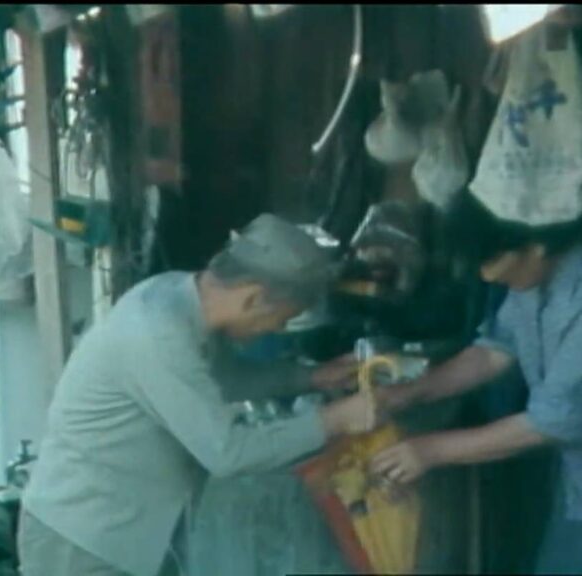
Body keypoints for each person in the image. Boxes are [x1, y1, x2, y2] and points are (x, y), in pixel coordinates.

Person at [18, 214, 375, 576]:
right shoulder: (160, 332)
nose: (277, 329)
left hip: (125, 533)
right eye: (282, 319)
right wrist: (335, 419)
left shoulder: (179, 298)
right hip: (82, 542)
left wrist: (313, 378)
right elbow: (229, 453)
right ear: (254, 298)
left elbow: (225, 379)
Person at [366, 212, 582, 574]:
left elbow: (549, 423)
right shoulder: (530, 281)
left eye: (494, 261)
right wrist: (413, 392)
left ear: (538, 246)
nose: (487, 275)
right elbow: (493, 352)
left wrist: (430, 450)